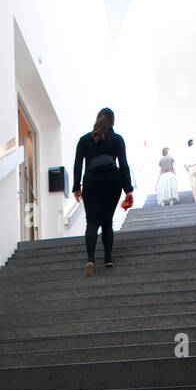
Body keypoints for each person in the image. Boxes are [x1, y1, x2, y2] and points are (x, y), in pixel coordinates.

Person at [73, 107, 133, 275]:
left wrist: (76, 187)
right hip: (112, 181)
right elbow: (124, 165)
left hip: (92, 181)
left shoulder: (84, 140)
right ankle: (108, 258)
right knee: (107, 221)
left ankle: (90, 260)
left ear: (97, 119)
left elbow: (77, 165)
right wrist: (128, 189)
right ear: (112, 122)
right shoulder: (117, 139)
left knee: (92, 222)